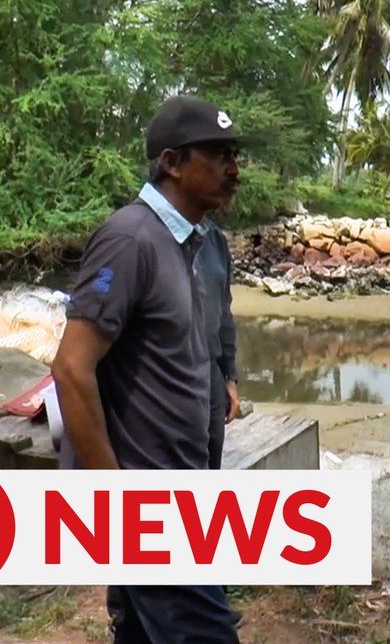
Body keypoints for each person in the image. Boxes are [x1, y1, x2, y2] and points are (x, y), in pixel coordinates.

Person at [51, 94, 243, 644]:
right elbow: (71, 368)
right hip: (152, 503)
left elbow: (213, 327)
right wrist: (115, 498)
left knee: (139, 630)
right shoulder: (130, 239)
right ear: (172, 162)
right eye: (218, 154)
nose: (233, 168)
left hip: (191, 484)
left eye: (235, 154)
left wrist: (226, 377)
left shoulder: (201, 243)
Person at [197, 215, 241, 470]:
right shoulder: (141, 235)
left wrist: (230, 378)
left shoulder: (215, 240)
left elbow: (224, 313)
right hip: (165, 378)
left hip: (210, 374)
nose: (232, 174)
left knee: (211, 461)